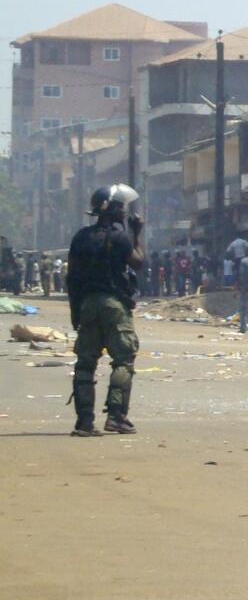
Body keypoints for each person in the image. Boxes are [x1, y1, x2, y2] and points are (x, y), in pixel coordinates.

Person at [66, 184, 144, 436]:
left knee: (85, 363)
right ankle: (116, 416)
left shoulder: (81, 237)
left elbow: (72, 278)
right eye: (120, 206)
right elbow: (138, 261)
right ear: (109, 209)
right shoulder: (119, 237)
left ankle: (84, 422)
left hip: (87, 304)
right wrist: (137, 233)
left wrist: (75, 312)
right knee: (123, 359)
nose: (124, 210)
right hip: (114, 304)